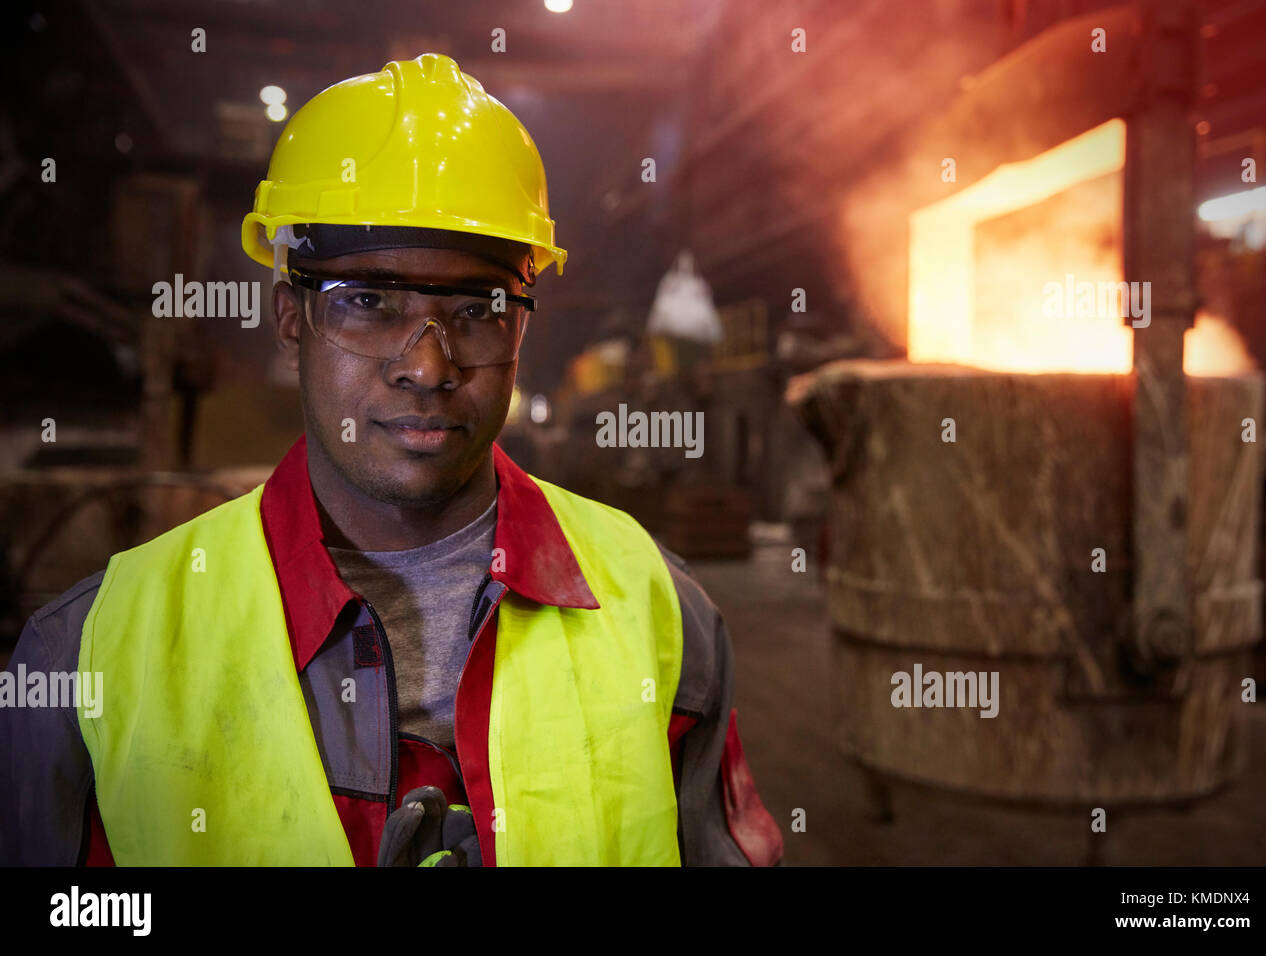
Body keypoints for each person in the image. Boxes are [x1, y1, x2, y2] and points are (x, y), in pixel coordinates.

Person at [0, 53, 783, 867]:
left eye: (477, 308)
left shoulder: (662, 614)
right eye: (367, 302)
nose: (429, 365)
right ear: (290, 317)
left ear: (523, 325)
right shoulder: (91, 658)